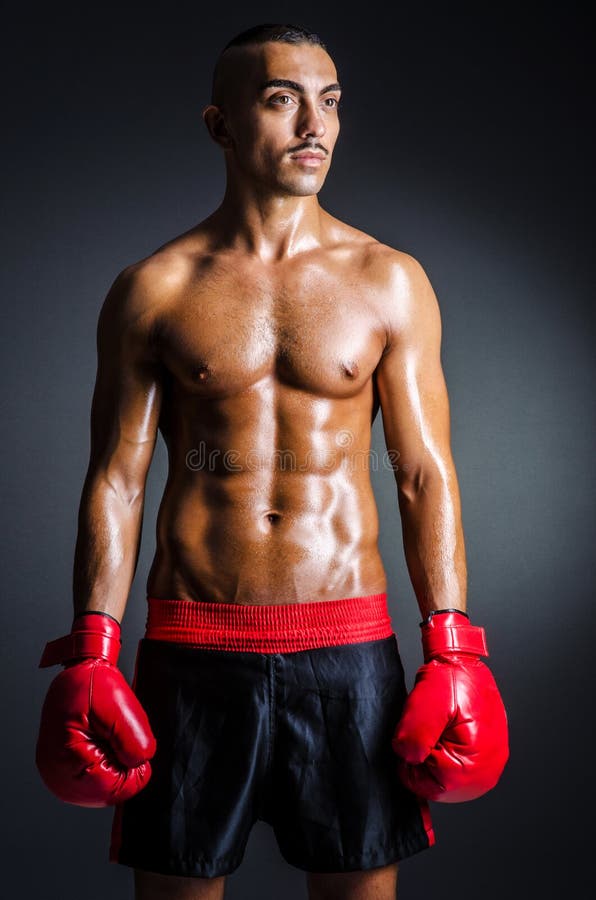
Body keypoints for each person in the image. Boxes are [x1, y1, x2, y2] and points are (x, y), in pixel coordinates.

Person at [35, 22, 509, 900]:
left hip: (347, 653)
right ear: (220, 126)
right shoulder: (156, 287)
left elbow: (422, 472)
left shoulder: (388, 279)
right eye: (282, 100)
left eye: (329, 102)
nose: (313, 126)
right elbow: (116, 479)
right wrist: (92, 652)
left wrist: (453, 647)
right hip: (192, 650)